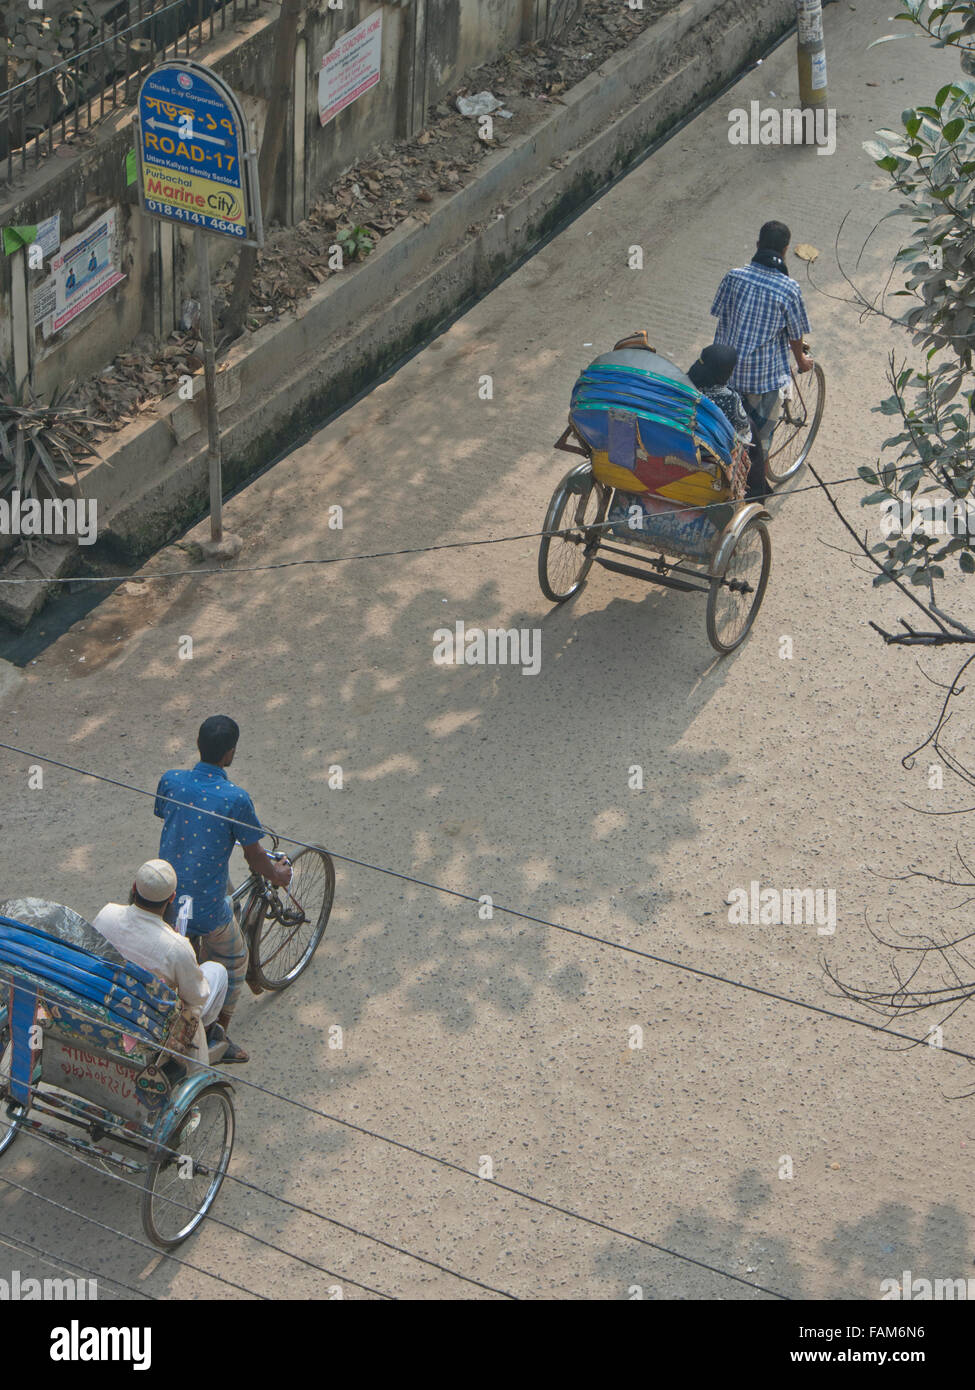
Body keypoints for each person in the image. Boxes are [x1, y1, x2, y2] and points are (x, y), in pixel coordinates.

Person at [154, 716, 291, 1064]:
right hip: (203, 907)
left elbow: (168, 817)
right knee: (235, 959)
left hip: (165, 895)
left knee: (217, 891)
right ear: (230, 753)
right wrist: (278, 875)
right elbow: (256, 857)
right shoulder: (235, 798)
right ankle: (219, 1035)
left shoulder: (170, 781)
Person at [91, 859, 228, 1066]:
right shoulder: (177, 947)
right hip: (153, 1024)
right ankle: (207, 1036)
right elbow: (197, 998)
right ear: (172, 898)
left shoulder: (106, 914)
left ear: (134, 888)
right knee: (217, 972)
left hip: (106, 999)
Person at [710, 221, 813, 465]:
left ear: (758, 245)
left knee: (724, 428)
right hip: (760, 379)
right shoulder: (789, 289)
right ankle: (753, 476)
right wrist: (801, 360)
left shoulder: (733, 276)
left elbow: (720, 312)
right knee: (759, 438)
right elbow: (795, 334)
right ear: (786, 250)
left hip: (725, 372)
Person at [687, 344, 767, 501]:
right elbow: (743, 431)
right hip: (712, 454)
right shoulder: (730, 398)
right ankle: (755, 495)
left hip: (684, 443)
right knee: (752, 433)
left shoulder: (683, 386)